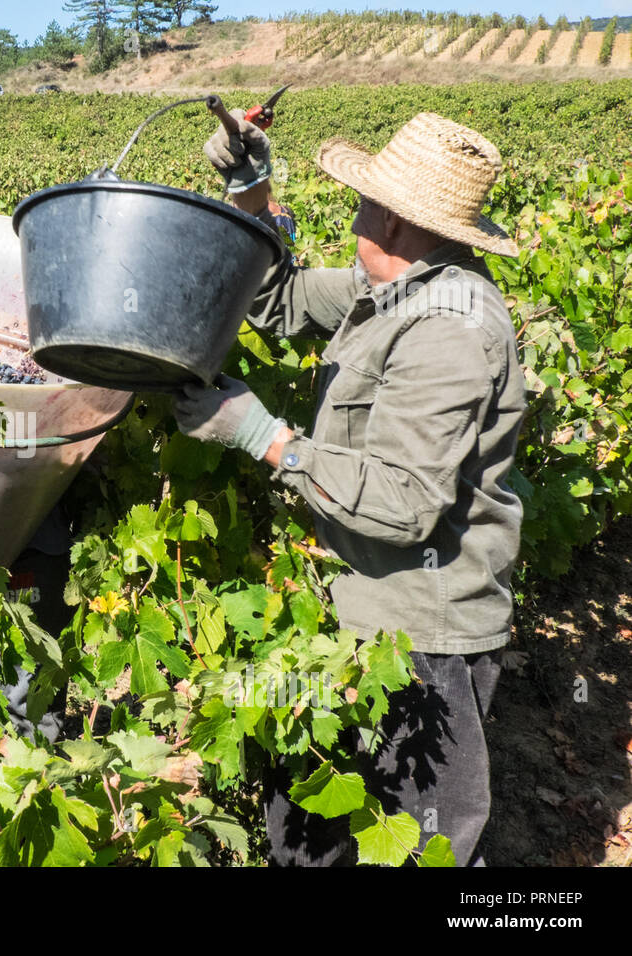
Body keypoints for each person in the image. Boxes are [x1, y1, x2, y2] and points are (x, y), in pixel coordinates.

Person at [179, 111, 525, 866]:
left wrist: (263, 436)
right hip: (349, 612)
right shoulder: (396, 289)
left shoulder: (449, 328)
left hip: (416, 637)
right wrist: (251, 189)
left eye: (364, 202)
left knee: (417, 843)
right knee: (311, 836)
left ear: (396, 224)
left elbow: (402, 505)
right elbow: (278, 299)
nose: (353, 211)